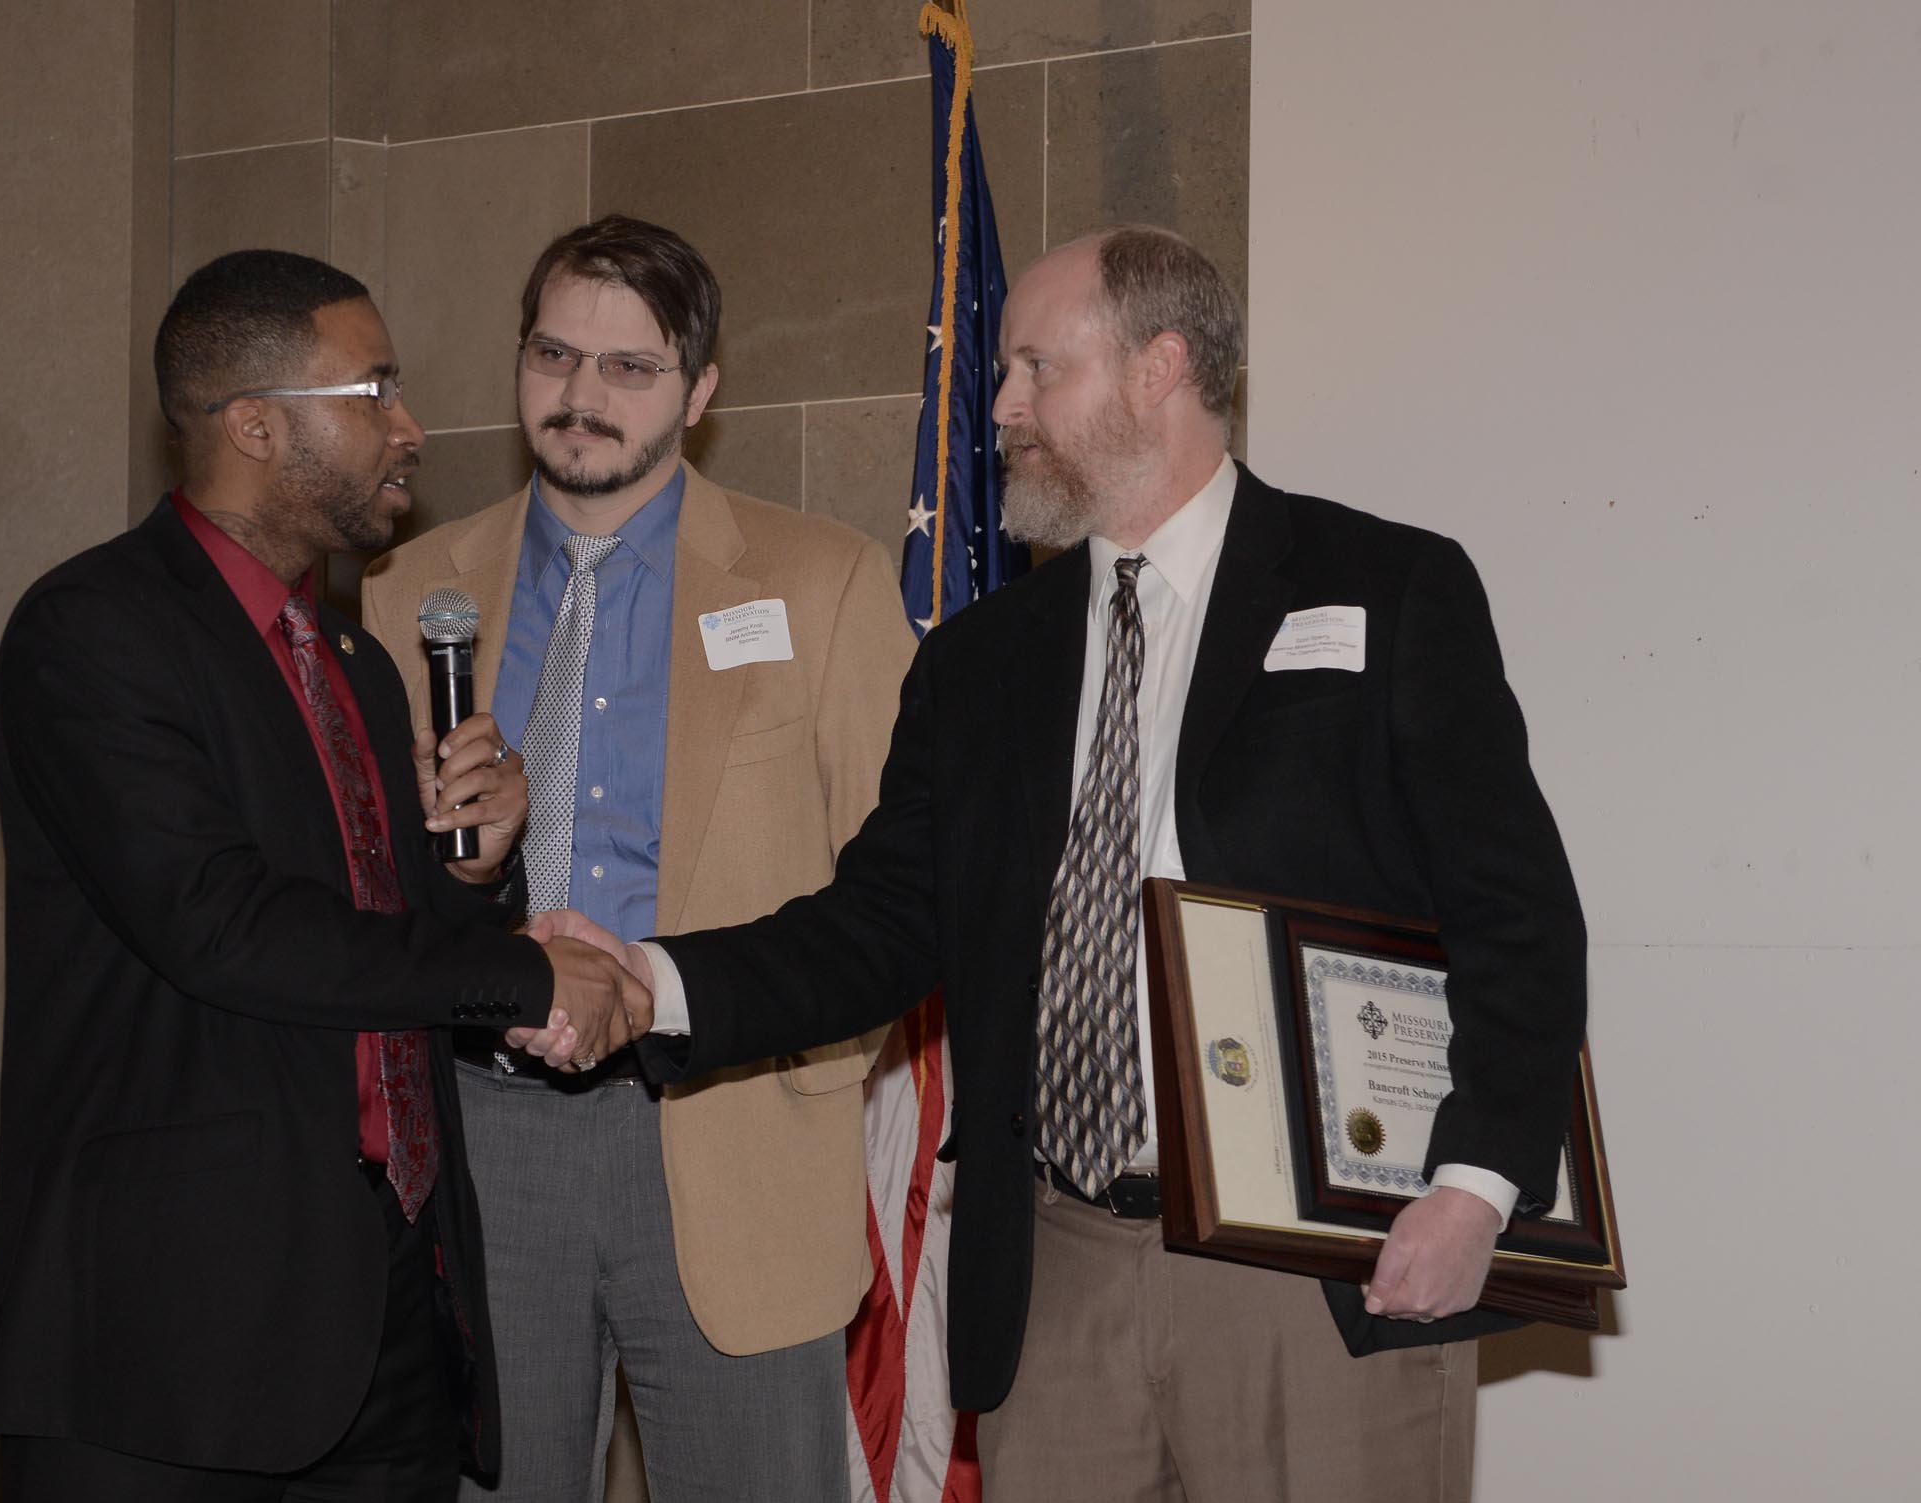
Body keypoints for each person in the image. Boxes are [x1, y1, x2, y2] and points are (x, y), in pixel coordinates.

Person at [533, 224, 1588, 1501]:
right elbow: (876, 925)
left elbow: (1514, 916)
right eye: (1003, 374)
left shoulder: (1385, 587)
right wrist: (651, 981)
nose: (1001, 408)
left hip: (1313, 1269)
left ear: (1160, 368)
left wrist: (1475, 1190)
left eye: (1037, 368)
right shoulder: (983, 661)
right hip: (1054, 1269)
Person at [0, 248, 644, 1502]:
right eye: (374, 391)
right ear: (254, 425)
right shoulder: (93, 631)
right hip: (171, 1338)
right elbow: (223, 927)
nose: (411, 427)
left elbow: (373, 941)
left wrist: (473, 877)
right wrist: (524, 976)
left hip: (389, 1319)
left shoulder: (354, 659)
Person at [362, 215, 913, 1502]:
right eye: (554, 356)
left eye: (629, 368)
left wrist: (802, 1075)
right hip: (488, 1135)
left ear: (700, 391)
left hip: (731, 1128)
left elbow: (892, 892)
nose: (582, 396)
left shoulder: (822, 581)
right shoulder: (407, 591)